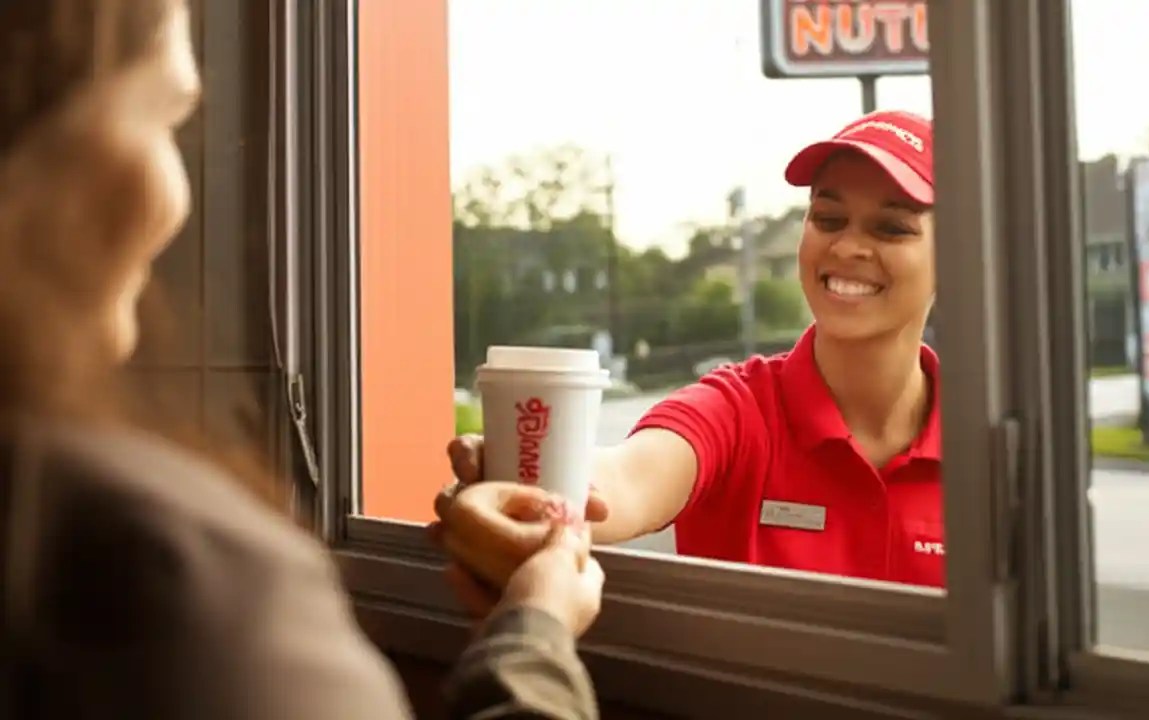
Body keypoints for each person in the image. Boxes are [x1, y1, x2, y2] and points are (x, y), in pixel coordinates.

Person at [0, 1, 601, 718]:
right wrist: (536, 632)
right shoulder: (158, 575)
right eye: (163, 115)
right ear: (45, 136)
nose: (177, 200)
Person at [442, 110, 944, 588]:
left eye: (891, 227)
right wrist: (536, 477)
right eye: (828, 218)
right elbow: (628, 479)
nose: (846, 247)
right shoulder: (737, 411)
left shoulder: (988, 445)